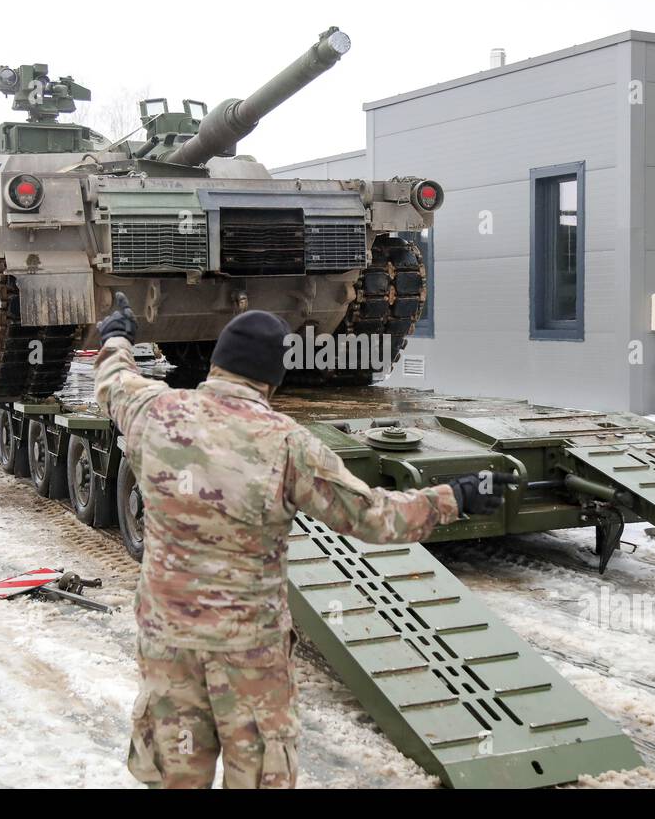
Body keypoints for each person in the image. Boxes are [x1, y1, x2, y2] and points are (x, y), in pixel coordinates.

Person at [94, 295, 513, 789]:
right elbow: (375, 518)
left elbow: (112, 380)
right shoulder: (287, 444)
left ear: (216, 363)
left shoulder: (152, 410)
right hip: (248, 654)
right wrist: (455, 497)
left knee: (175, 776)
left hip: (168, 645)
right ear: (274, 378)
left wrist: (117, 335)